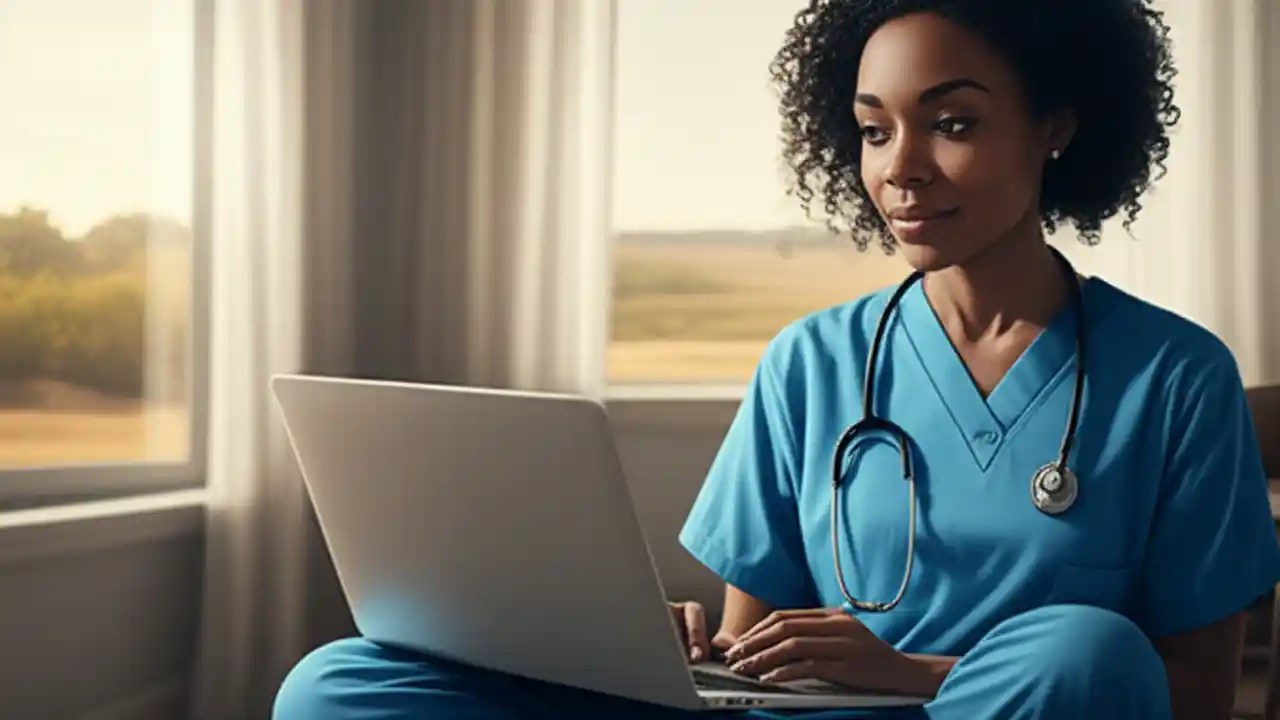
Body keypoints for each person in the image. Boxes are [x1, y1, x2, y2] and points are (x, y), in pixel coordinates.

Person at [273, 1, 1280, 718]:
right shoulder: (809, 361)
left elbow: (1185, 693)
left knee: (1082, 648)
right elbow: (757, 654)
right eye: (873, 130)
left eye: (953, 123)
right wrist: (681, 648)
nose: (901, 168)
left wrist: (916, 675)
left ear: (1056, 127)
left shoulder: (1174, 375)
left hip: (1002, 706)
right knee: (344, 683)